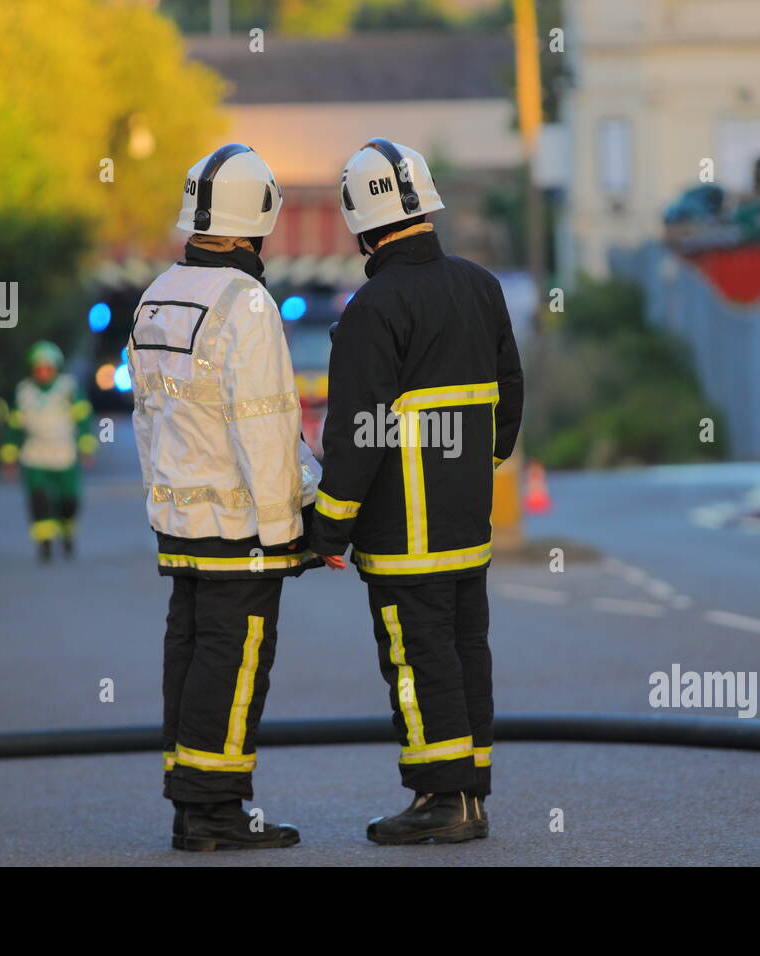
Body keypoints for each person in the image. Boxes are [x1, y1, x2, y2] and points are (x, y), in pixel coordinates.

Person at [310, 139, 524, 845]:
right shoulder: (481, 286)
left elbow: (356, 434)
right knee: (466, 650)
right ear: (426, 206)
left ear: (362, 225)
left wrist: (329, 527)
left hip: (404, 533)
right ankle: (472, 793)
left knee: (415, 657)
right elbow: (509, 399)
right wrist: (475, 466)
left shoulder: (374, 307)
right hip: (466, 521)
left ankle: (441, 798)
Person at [129, 143, 324, 852]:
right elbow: (267, 424)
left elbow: (147, 421)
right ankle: (215, 811)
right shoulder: (245, 302)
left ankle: (191, 800)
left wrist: (163, 507)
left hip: (180, 524)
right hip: (241, 529)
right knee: (234, 660)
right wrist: (288, 530)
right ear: (259, 221)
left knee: (188, 652)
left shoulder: (155, 297)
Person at [0, 341, 96, 562]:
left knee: (69, 500)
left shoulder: (68, 388)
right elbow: (14, 426)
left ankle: (68, 532)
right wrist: (9, 456)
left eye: (47, 367)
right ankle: (44, 543)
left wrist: (86, 446)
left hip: (64, 453)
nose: (43, 372)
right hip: (35, 454)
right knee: (38, 499)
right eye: (38, 367)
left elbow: (82, 419)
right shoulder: (24, 391)